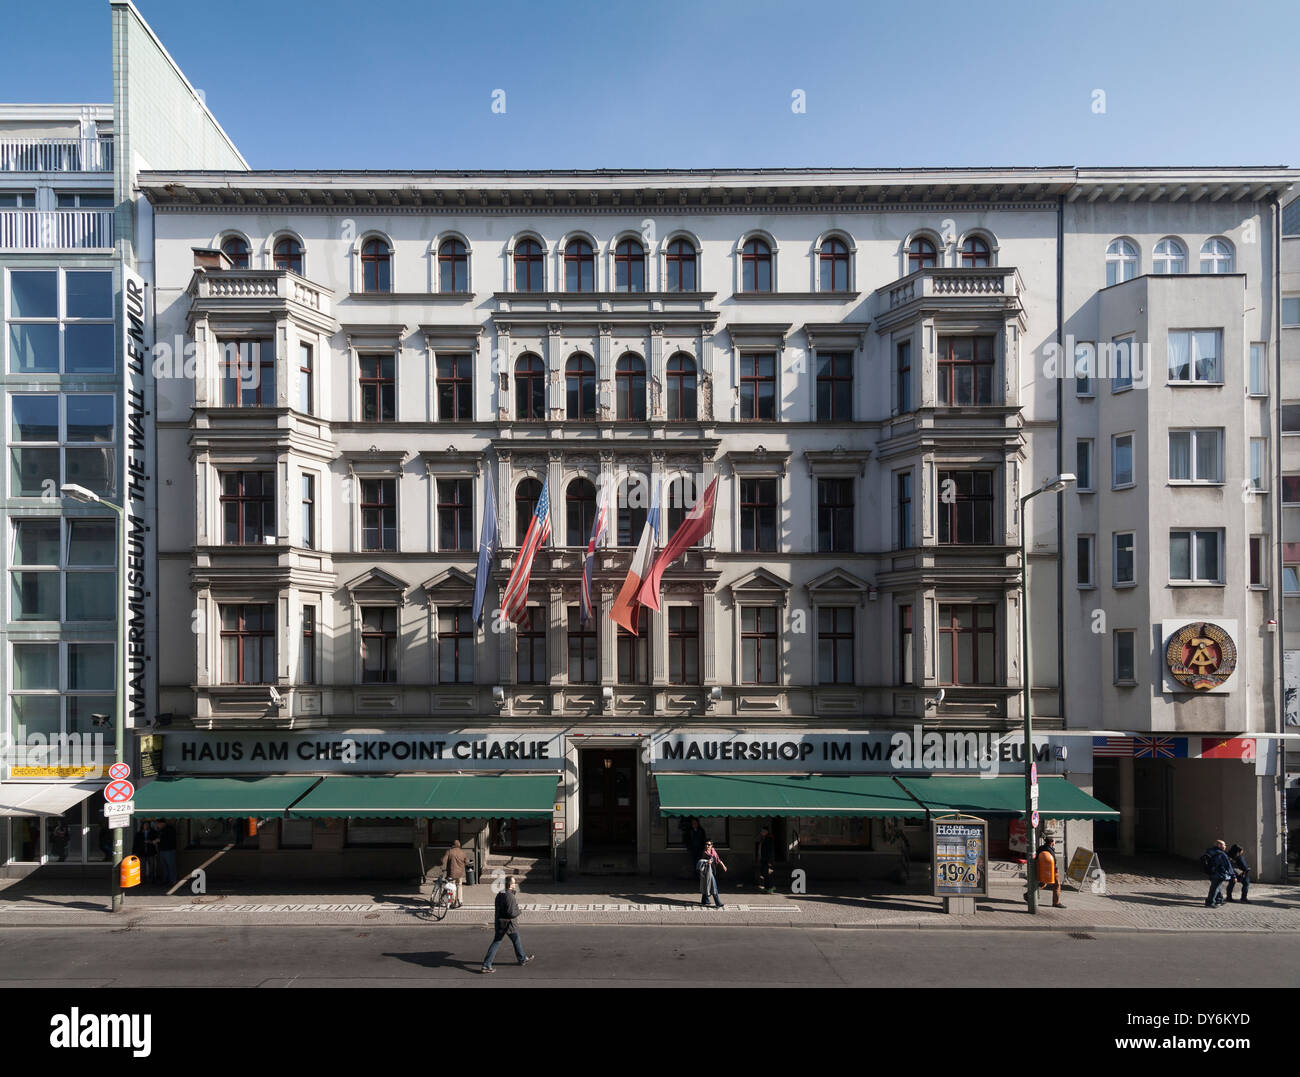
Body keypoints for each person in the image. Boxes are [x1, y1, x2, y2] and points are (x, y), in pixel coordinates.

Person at [480, 876, 534, 973]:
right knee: (502, 942)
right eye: (513, 883)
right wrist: (519, 911)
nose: (515, 884)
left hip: (500, 922)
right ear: (510, 885)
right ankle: (486, 965)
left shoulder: (501, 893)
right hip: (508, 924)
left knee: (511, 940)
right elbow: (511, 913)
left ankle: (522, 958)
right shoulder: (509, 896)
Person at [1035, 835, 1065, 909]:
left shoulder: (1041, 848)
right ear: (1051, 842)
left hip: (1042, 869)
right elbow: (1053, 861)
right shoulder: (1050, 850)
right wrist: (1055, 869)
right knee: (1057, 885)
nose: (1055, 842)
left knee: (1043, 884)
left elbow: (1036, 857)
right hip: (1051, 870)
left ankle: (1028, 895)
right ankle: (1056, 902)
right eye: (1054, 841)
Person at [1203, 839, 1234, 908]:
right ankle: (1210, 902)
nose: (1225, 846)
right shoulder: (1220, 854)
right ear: (1219, 845)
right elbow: (1227, 865)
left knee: (1217, 887)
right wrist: (1233, 875)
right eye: (1224, 844)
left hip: (1211, 872)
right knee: (1215, 888)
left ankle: (1219, 900)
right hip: (1219, 873)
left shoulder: (1210, 851)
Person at [440, 839, 469, 908]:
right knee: (459, 886)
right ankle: (460, 901)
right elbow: (467, 862)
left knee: (452, 887)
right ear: (459, 845)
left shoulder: (449, 851)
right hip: (460, 874)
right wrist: (465, 863)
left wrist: (440, 861)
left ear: (452, 845)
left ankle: (453, 902)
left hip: (451, 874)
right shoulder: (462, 852)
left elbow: (443, 861)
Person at [698, 839, 727, 909]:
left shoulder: (713, 852)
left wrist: (723, 866)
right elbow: (701, 862)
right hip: (707, 872)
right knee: (714, 887)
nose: (707, 846)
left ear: (712, 845)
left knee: (706, 886)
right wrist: (707, 862)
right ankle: (718, 903)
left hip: (713, 871)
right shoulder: (704, 853)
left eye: (709, 844)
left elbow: (718, 859)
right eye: (706, 844)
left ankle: (704, 901)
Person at [754, 824, 775, 894]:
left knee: (768, 874)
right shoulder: (764, 838)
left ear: (766, 832)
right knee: (764, 874)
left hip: (768, 860)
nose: (761, 832)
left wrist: (770, 861)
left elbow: (770, 850)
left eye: (762, 831)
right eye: (761, 831)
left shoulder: (769, 838)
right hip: (764, 859)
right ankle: (767, 887)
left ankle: (770, 888)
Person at [156, 820, 177, 886]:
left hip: (169, 850)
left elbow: (169, 839)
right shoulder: (160, 830)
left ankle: (172, 881)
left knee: (171, 866)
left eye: (158, 824)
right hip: (162, 850)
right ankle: (166, 880)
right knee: (164, 866)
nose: (157, 825)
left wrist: (159, 840)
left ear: (162, 823)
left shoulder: (170, 829)